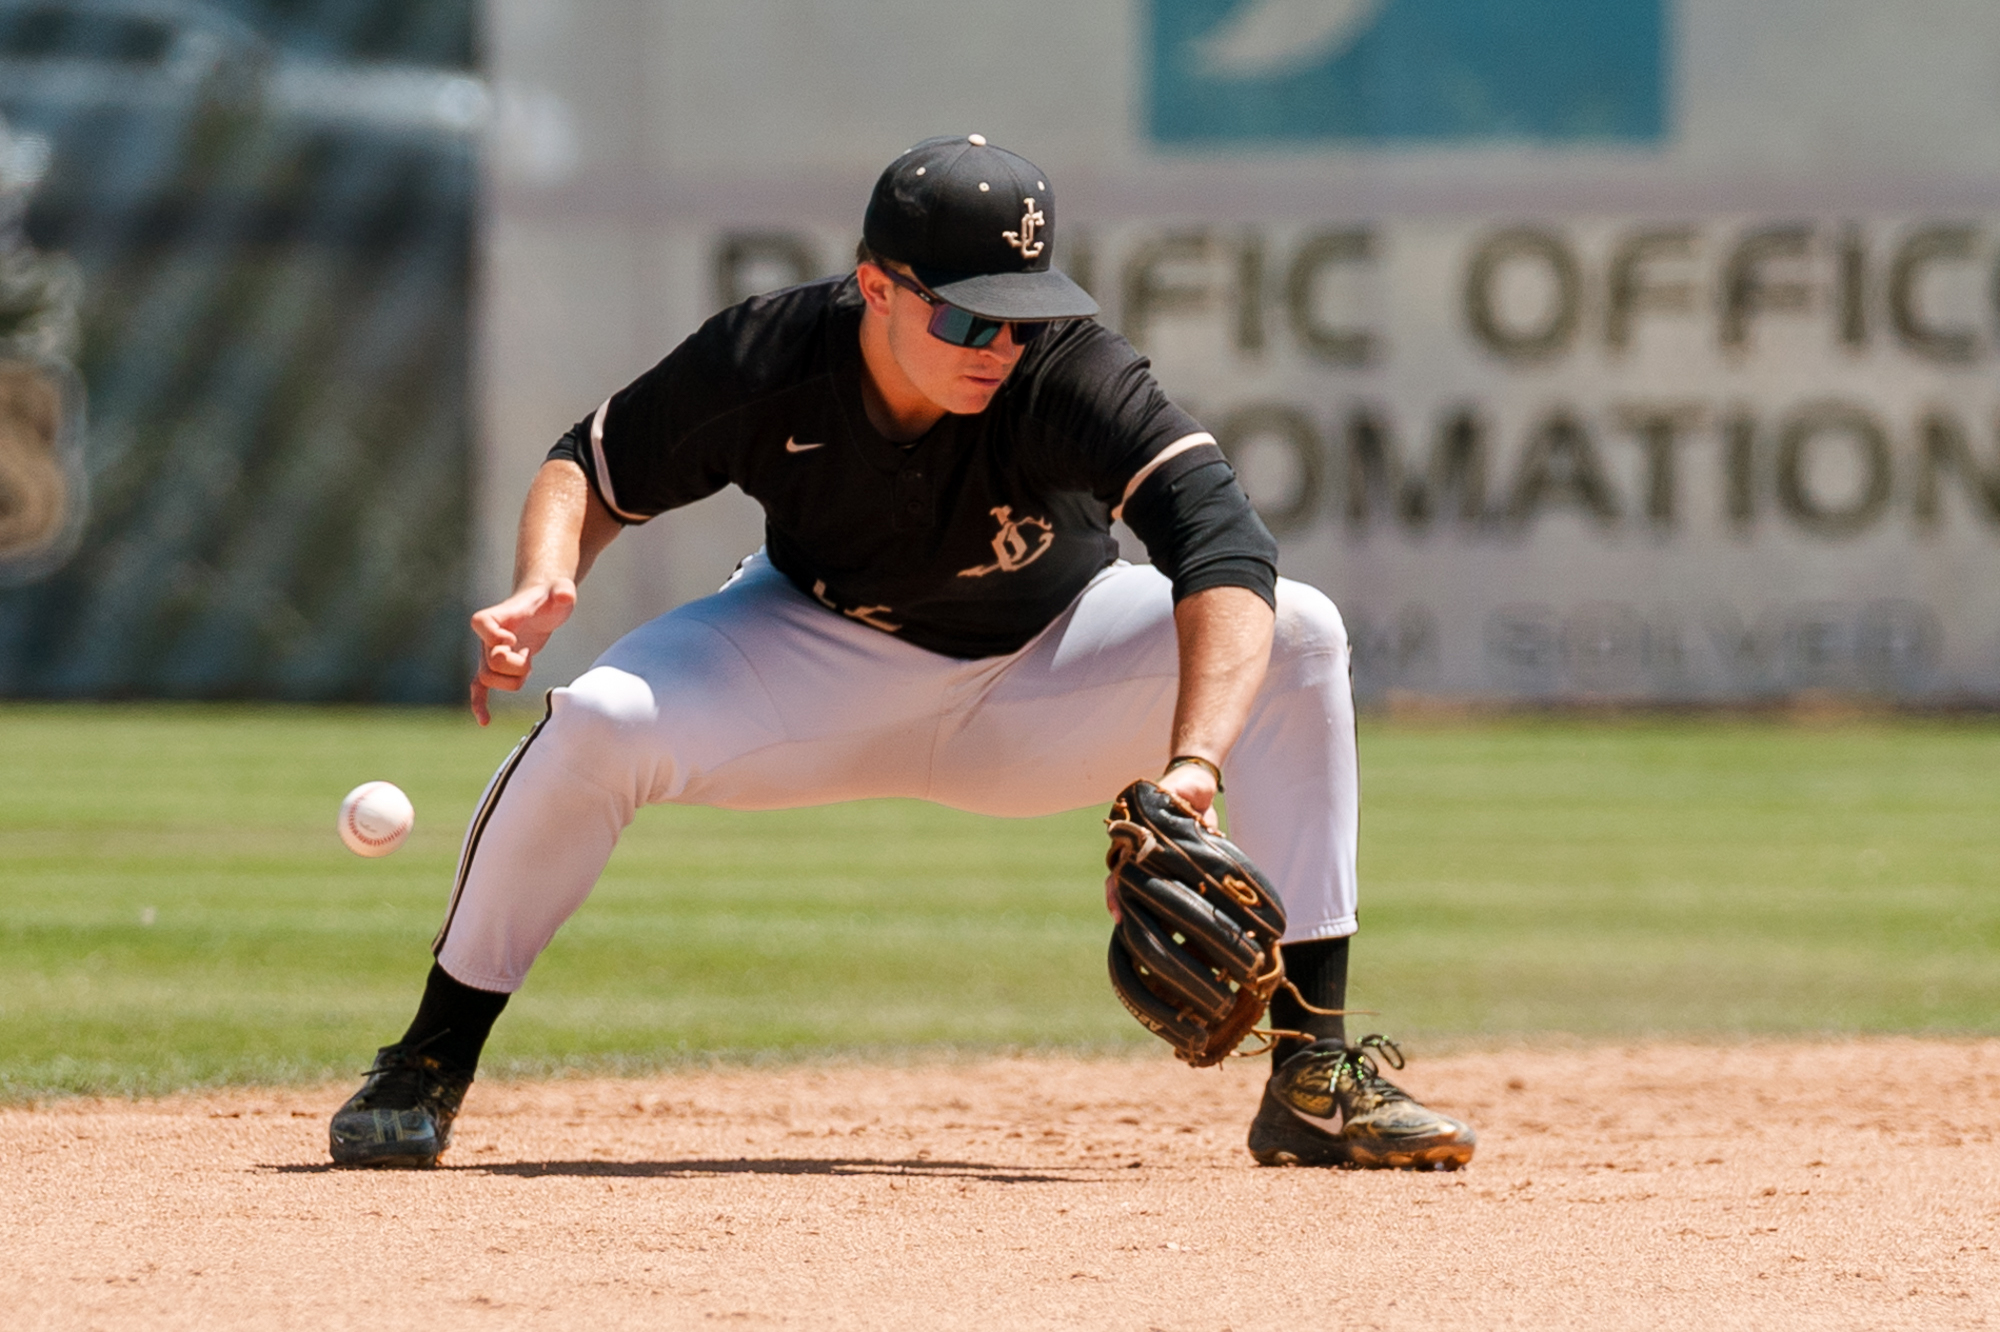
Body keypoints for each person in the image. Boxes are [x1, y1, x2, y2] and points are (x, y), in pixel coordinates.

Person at [327, 135, 1475, 1172]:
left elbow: (1223, 543)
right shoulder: (774, 354)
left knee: (1304, 631)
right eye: (968, 315)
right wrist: (546, 577)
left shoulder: (1064, 370)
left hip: (1047, 670)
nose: (1000, 341)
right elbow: (591, 460)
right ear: (876, 286)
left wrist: (1191, 766)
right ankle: (426, 1063)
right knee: (598, 724)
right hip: (810, 651)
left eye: (1020, 309)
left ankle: (1312, 1078)